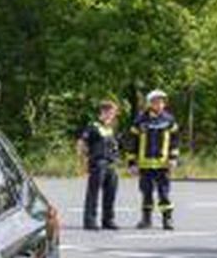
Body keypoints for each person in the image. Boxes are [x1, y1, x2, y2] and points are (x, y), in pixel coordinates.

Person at [126, 89, 181, 229]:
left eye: (162, 101)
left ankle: (167, 219)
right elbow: (132, 142)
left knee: (164, 193)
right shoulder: (140, 120)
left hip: (163, 164)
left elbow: (175, 141)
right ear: (150, 103)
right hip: (145, 165)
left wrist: (173, 158)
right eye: (156, 101)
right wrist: (132, 163)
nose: (159, 104)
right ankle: (146, 219)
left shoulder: (169, 120)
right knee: (146, 193)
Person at [76, 100, 122, 229]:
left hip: (111, 164)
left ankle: (108, 220)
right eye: (107, 112)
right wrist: (83, 161)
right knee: (93, 193)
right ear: (102, 112)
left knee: (111, 193)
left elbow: (116, 147)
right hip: (98, 163)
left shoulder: (112, 128)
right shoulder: (93, 127)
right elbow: (81, 144)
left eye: (112, 112)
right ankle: (90, 220)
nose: (110, 115)